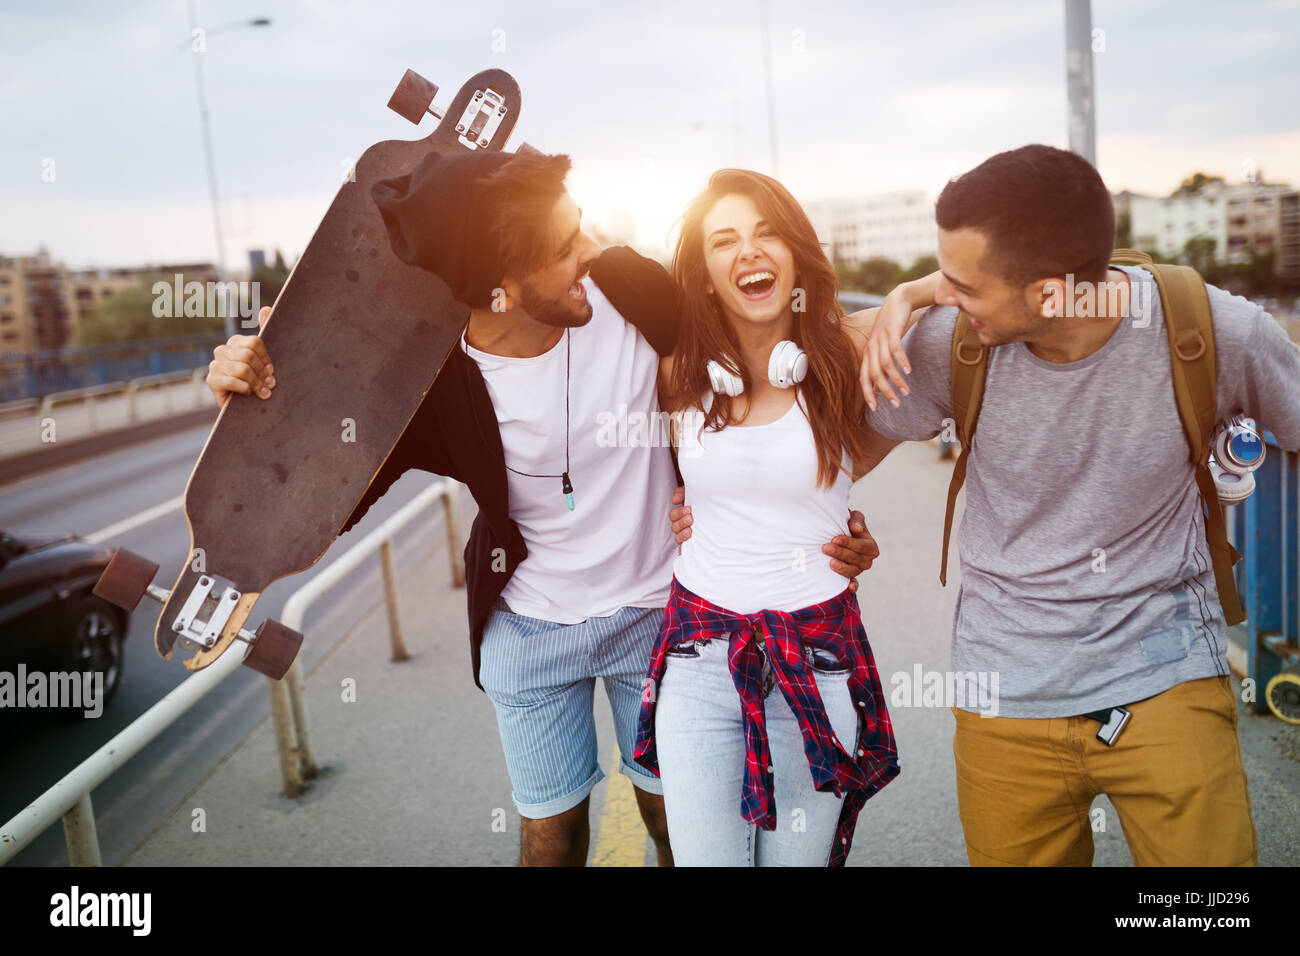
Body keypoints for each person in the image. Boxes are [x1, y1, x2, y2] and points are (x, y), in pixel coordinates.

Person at [203, 149, 881, 866]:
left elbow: (751, 353)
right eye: (564, 250)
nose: (590, 251)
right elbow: (322, 494)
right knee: (549, 837)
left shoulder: (628, 290)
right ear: (501, 286)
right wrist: (248, 397)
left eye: (580, 229)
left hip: (657, 612)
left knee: (674, 823)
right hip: (528, 630)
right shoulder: (434, 389)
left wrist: (813, 518)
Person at [854, 144, 1300, 865]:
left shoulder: (1213, 332)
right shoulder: (954, 341)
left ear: (1051, 293)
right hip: (1003, 691)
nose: (944, 296)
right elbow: (832, 457)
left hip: (1165, 676)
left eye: (960, 285)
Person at [631, 169, 907, 866]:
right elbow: (607, 275)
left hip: (815, 658)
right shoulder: (679, 375)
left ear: (796, 255)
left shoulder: (844, 357)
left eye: (766, 234)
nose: (748, 252)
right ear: (705, 276)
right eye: (724, 241)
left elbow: (956, 298)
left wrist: (908, 291)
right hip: (700, 662)